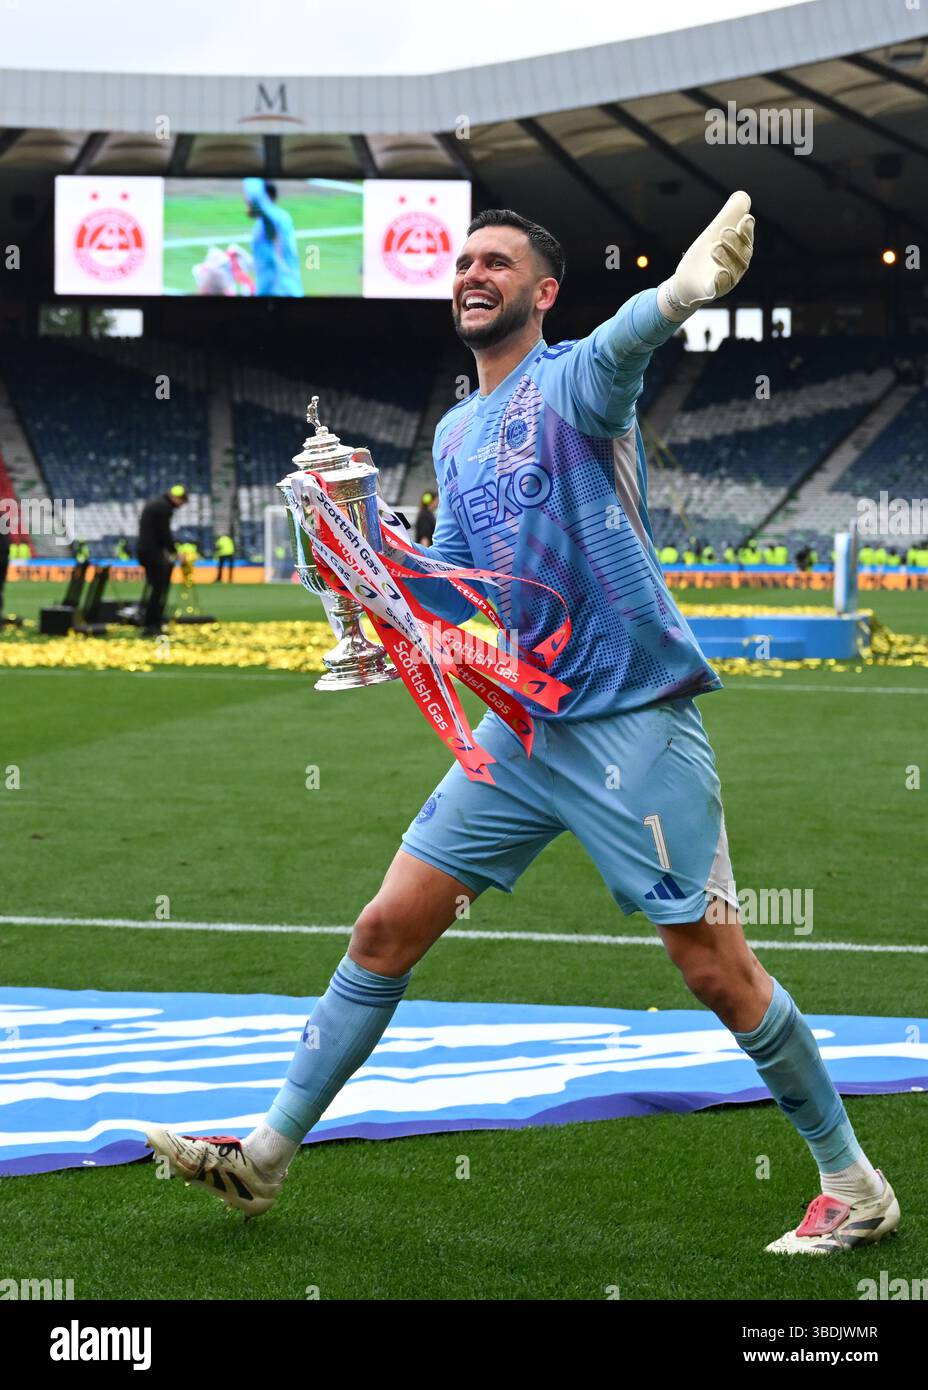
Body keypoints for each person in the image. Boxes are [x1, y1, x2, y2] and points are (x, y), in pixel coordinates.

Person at [146, 194, 899, 1256]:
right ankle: (264, 1155)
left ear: (542, 292)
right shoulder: (454, 433)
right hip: (522, 723)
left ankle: (851, 1182)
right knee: (385, 924)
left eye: (495, 262)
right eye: (460, 261)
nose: (471, 273)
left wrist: (681, 292)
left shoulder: (574, 380)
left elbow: (625, 347)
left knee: (711, 966)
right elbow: (462, 592)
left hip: (630, 717)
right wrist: (369, 565)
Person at [136, 484, 187, 636]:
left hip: (145, 550)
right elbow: (164, 533)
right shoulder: (163, 508)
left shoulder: (157, 504)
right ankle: (152, 624)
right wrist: (174, 552)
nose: (181, 505)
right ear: (176, 498)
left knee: (155, 587)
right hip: (153, 553)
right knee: (158, 589)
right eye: (182, 501)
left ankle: (151, 618)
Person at [242, 178, 303, 298]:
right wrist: (242, 258)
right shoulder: (261, 224)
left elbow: (276, 257)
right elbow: (266, 260)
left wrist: (250, 180)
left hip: (283, 293)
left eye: (247, 197)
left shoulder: (277, 219)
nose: (245, 200)